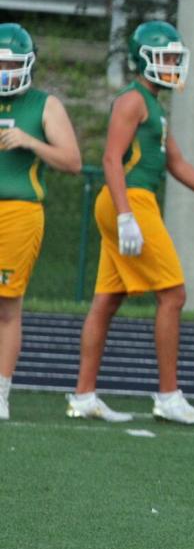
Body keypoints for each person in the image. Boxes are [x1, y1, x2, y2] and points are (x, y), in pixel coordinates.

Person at [67, 20, 194, 424]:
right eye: (165, 58)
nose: (172, 65)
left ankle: (83, 395)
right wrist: (125, 215)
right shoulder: (133, 100)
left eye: (174, 58)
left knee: (107, 299)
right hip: (130, 199)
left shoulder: (153, 105)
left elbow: (176, 162)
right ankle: (169, 396)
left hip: (129, 201)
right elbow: (111, 159)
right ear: (144, 59)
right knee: (173, 295)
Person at [0, 23, 83, 421]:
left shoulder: (44, 105)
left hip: (18, 210)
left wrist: (31, 142)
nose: (4, 70)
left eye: (10, 63)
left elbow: (72, 161)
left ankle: (0, 390)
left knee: (6, 305)